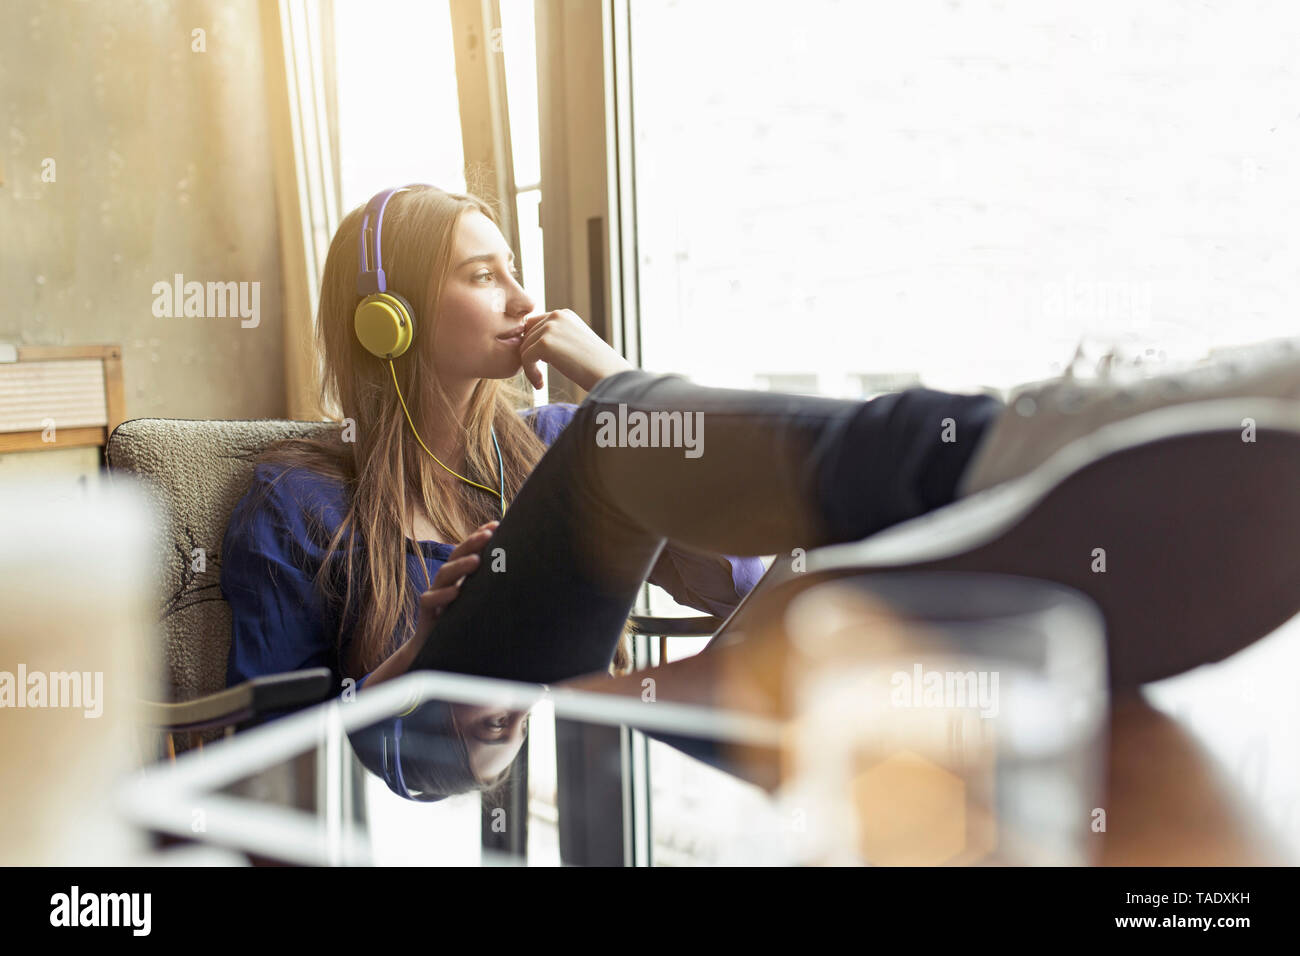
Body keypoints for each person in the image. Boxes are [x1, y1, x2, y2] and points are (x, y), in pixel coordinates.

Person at [222, 183, 1300, 802]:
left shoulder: (544, 440)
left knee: (792, 596)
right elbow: (274, 755)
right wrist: (427, 641)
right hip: (410, 748)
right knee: (623, 430)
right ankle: (1018, 439)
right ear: (387, 316)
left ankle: (992, 583)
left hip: (568, 720)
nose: (521, 295)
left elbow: (730, 577)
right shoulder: (295, 499)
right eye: (482, 271)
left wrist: (641, 439)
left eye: (514, 266)